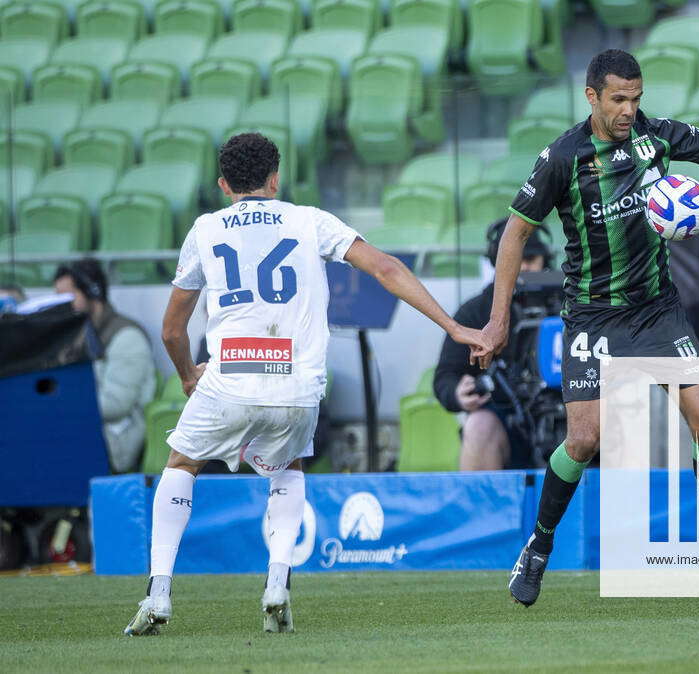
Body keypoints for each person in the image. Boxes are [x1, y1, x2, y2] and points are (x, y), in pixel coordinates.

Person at [474, 49, 699, 604]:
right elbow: (515, 235)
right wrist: (498, 318)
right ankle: (538, 546)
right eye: (619, 99)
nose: (629, 110)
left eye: (636, 98)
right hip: (592, 314)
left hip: (655, 310)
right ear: (592, 97)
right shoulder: (562, 159)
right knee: (583, 439)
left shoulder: (660, 137)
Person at [124, 133, 485, 636]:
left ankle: (158, 592)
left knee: (182, 463)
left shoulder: (204, 230)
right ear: (276, 179)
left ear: (224, 184)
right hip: (297, 384)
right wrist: (454, 327)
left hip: (228, 376)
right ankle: (277, 586)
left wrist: (188, 376)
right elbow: (384, 267)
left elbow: (171, 328)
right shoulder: (310, 220)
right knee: (287, 469)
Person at [433, 219, 552, 470]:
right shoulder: (475, 311)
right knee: (478, 427)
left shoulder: (570, 302)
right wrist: (458, 392)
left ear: (544, 259)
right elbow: (445, 376)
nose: (524, 268)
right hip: (507, 420)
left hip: (571, 415)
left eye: (530, 259)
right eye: (515, 260)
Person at [53, 259, 156, 473]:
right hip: (86, 434)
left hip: (117, 443)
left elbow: (117, 405)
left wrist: (62, 406)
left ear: (93, 293)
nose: (60, 304)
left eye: (68, 296)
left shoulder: (127, 336)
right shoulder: (76, 337)